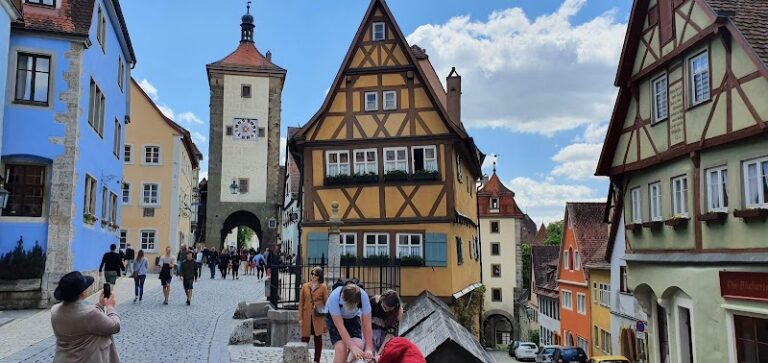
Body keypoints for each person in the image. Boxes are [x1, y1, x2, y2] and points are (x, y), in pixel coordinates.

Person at [51, 271, 120, 362]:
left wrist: (100, 305)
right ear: (83, 292)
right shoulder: (88, 314)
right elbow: (115, 326)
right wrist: (110, 307)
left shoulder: (55, 310)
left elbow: (84, 322)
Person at [326, 283, 374, 363]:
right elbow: (340, 326)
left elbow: (367, 324)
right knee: (341, 349)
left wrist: (369, 348)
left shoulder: (363, 297)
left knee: (358, 345)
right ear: (342, 297)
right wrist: (352, 346)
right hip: (335, 318)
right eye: (348, 305)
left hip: (353, 317)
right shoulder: (334, 297)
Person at [299, 267, 329, 363]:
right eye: (312, 273)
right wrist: (300, 318)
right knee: (304, 338)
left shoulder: (323, 287)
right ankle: (303, 358)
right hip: (307, 315)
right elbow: (301, 303)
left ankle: (317, 360)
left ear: (319, 276)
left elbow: (326, 302)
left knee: (318, 338)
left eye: (315, 274)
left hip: (317, 316)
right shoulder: (305, 286)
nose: (313, 276)